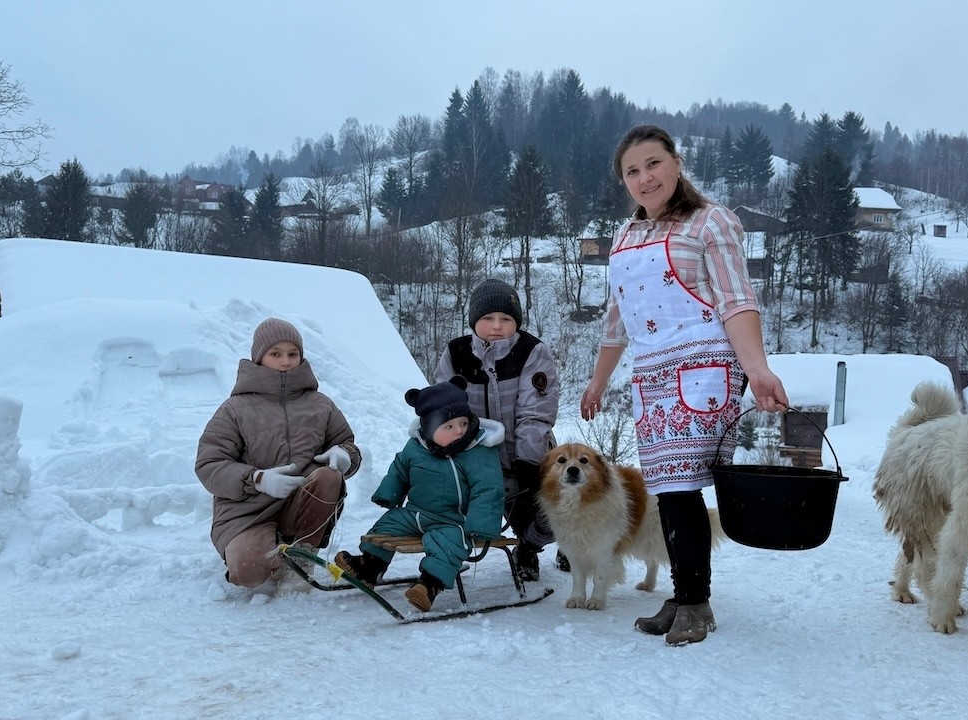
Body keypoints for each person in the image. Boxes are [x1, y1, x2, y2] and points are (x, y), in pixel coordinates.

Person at [579, 125, 789, 646]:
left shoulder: (711, 221)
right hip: (651, 374)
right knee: (668, 491)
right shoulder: (625, 236)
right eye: (632, 171)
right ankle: (684, 595)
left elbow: (736, 300)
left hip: (703, 367)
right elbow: (618, 318)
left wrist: (757, 368)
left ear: (676, 163)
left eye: (653, 164)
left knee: (679, 488)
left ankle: (695, 601)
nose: (645, 178)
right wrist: (598, 381)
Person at [195, 317, 362, 589]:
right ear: (259, 358)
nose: (286, 362)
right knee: (249, 573)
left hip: (301, 504)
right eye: (276, 354)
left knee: (329, 476)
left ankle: (303, 554)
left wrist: (345, 456)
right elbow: (209, 465)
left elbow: (347, 444)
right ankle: (268, 552)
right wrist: (257, 479)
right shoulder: (234, 409)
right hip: (248, 511)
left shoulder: (321, 405)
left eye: (293, 354)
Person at [335, 376, 506, 612]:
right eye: (449, 427)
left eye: (463, 423)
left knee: (447, 543)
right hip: (416, 514)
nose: (459, 431)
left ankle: (429, 585)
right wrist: (389, 493)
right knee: (388, 524)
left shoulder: (477, 451)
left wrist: (480, 525)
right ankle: (369, 567)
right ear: (429, 429)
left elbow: (488, 488)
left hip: (454, 521)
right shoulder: (416, 447)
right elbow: (400, 469)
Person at [435, 278, 562, 581]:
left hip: (527, 456)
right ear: (473, 321)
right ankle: (447, 554)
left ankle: (531, 547)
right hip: (477, 461)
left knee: (550, 522)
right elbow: (443, 408)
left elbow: (535, 413)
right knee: (478, 514)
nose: (496, 326)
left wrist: (529, 463)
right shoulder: (456, 353)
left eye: (505, 319)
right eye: (488, 318)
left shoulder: (532, 352)